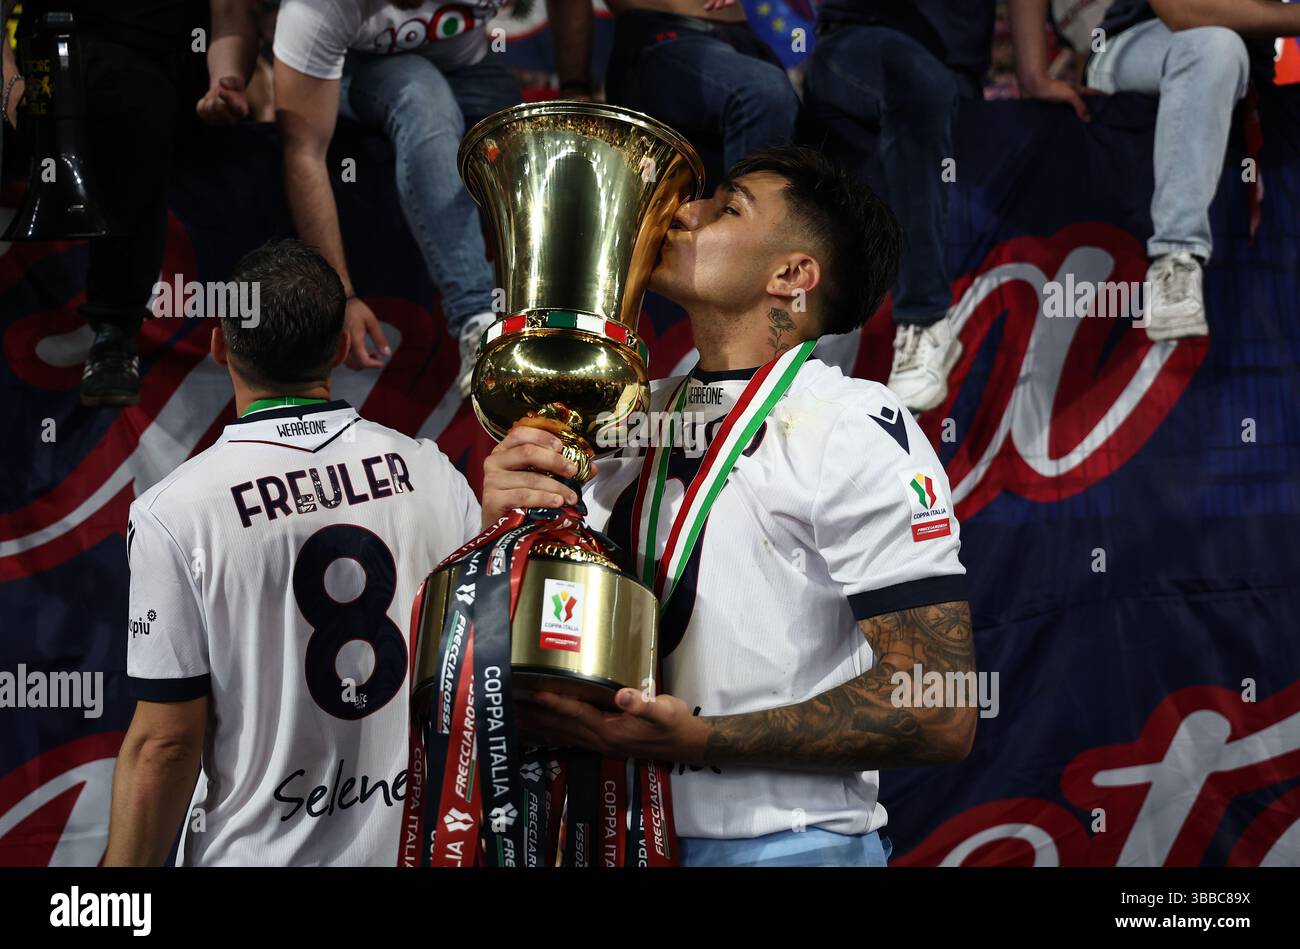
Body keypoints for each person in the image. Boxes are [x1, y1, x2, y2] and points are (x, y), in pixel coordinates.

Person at [484, 145, 978, 867]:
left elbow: (939, 708)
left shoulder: (850, 424)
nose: (678, 211)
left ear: (792, 276)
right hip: (612, 836)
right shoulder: (622, 414)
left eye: (723, 207)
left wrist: (705, 737)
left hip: (787, 847)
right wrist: (509, 536)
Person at [103, 240, 575, 865]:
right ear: (336, 349)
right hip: (417, 851)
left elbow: (165, 744)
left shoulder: (175, 512)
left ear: (220, 347)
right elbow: (488, 674)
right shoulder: (433, 473)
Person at [271, 0, 592, 399]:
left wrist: (576, 85)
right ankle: (478, 327)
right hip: (359, 71)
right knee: (422, 95)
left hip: (470, 65)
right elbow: (304, 153)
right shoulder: (320, 8)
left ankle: (562, 319)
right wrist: (341, 295)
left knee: (533, 139)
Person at [804, 0, 1099, 412]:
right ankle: (922, 318)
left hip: (953, 71)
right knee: (911, 81)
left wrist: (1033, 74)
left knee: (926, 86)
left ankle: (924, 328)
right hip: (854, 44)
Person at [1, 0, 257, 407]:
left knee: (127, 90)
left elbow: (229, 14)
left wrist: (225, 82)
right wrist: (7, 71)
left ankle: (115, 330)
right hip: (45, 58)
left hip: (158, 67)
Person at [1086, 0, 1296, 341]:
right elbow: (1182, 11)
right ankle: (1174, 257)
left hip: (1248, 70)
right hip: (1137, 44)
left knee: (1223, 49)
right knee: (1215, 44)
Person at [602, 0, 800, 174]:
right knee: (762, 92)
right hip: (662, 32)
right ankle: (746, 213)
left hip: (743, 36)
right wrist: (574, 85)